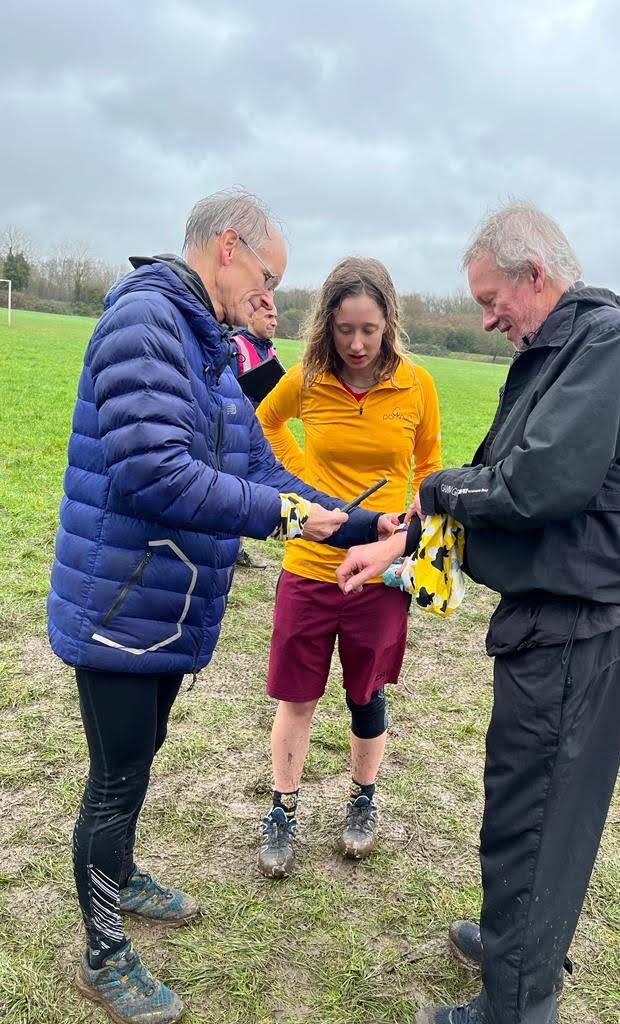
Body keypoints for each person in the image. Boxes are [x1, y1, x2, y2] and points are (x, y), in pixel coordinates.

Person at [48, 189, 394, 1024]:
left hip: (159, 605)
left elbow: (260, 466)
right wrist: (281, 518)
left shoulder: (205, 343)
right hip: (121, 602)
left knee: (138, 758)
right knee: (114, 777)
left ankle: (121, 878)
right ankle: (102, 953)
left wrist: (359, 522)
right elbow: (154, 470)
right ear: (228, 247)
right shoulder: (148, 323)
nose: (269, 296)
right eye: (267, 275)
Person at [335, 201, 620, 1024]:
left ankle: (516, 1002)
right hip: (552, 616)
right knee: (527, 797)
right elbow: (495, 485)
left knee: (539, 810)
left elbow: (533, 484)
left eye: (491, 300)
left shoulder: (603, 342)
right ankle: (520, 941)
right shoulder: (558, 349)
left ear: (534, 275)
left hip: (579, 624)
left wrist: (434, 491)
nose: (485, 320)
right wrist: (400, 552)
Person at [254, 256, 442, 878]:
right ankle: (282, 809)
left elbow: (431, 469)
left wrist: (407, 531)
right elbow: (265, 425)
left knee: (367, 692)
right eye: (344, 330)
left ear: (389, 321)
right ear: (326, 327)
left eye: (369, 329)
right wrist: (300, 485)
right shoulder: (307, 377)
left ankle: (364, 801)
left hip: (380, 573)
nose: (357, 344)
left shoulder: (417, 384)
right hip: (310, 563)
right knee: (297, 694)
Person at [228, 301, 280, 568]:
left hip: (262, 428)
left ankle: (238, 547)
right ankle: (228, 546)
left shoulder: (272, 350)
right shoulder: (235, 347)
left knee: (253, 486)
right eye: (268, 316)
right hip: (235, 428)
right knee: (234, 485)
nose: (273, 322)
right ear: (252, 316)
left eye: (276, 317)